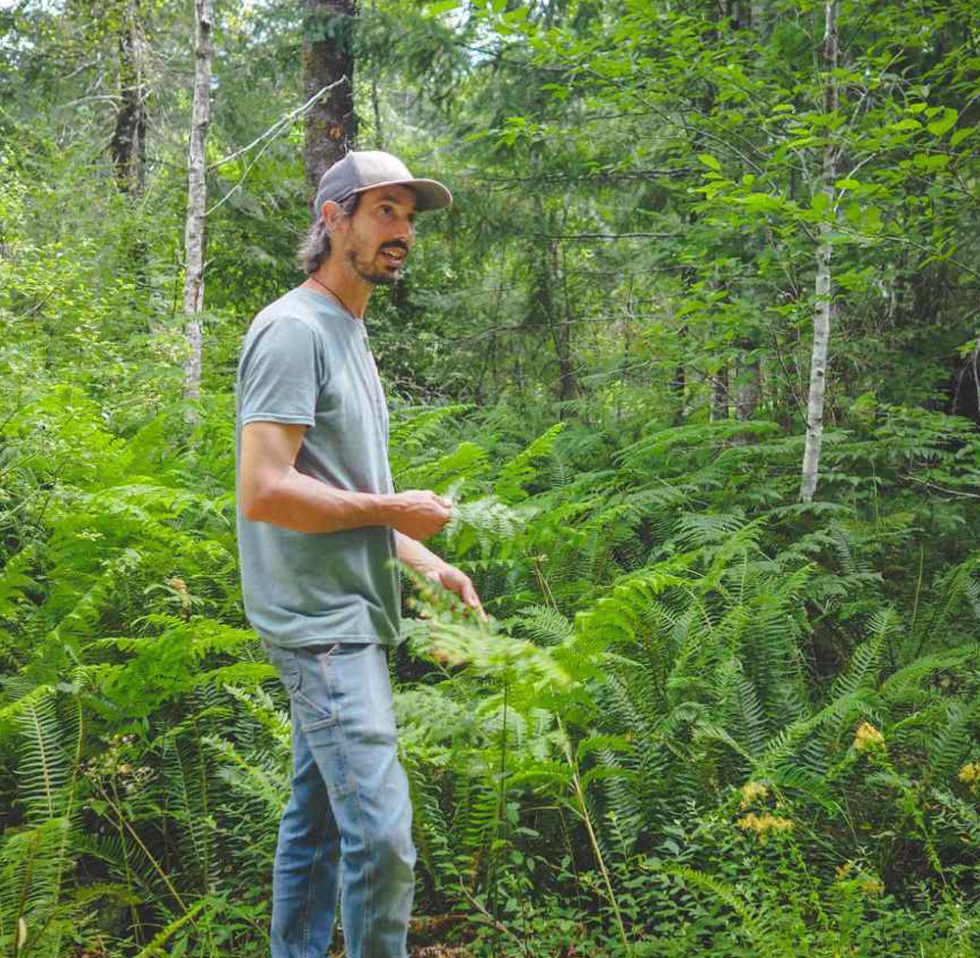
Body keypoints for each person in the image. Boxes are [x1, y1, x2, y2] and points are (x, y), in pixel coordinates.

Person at [235, 150, 484, 958]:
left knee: (312, 832)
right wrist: (393, 508)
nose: (403, 231)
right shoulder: (293, 330)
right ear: (331, 216)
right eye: (384, 210)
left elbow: (337, 488)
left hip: (353, 610)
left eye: (410, 216)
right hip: (320, 623)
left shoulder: (351, 333)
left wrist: (422, 559)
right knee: (381, 839)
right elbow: (265, 489)